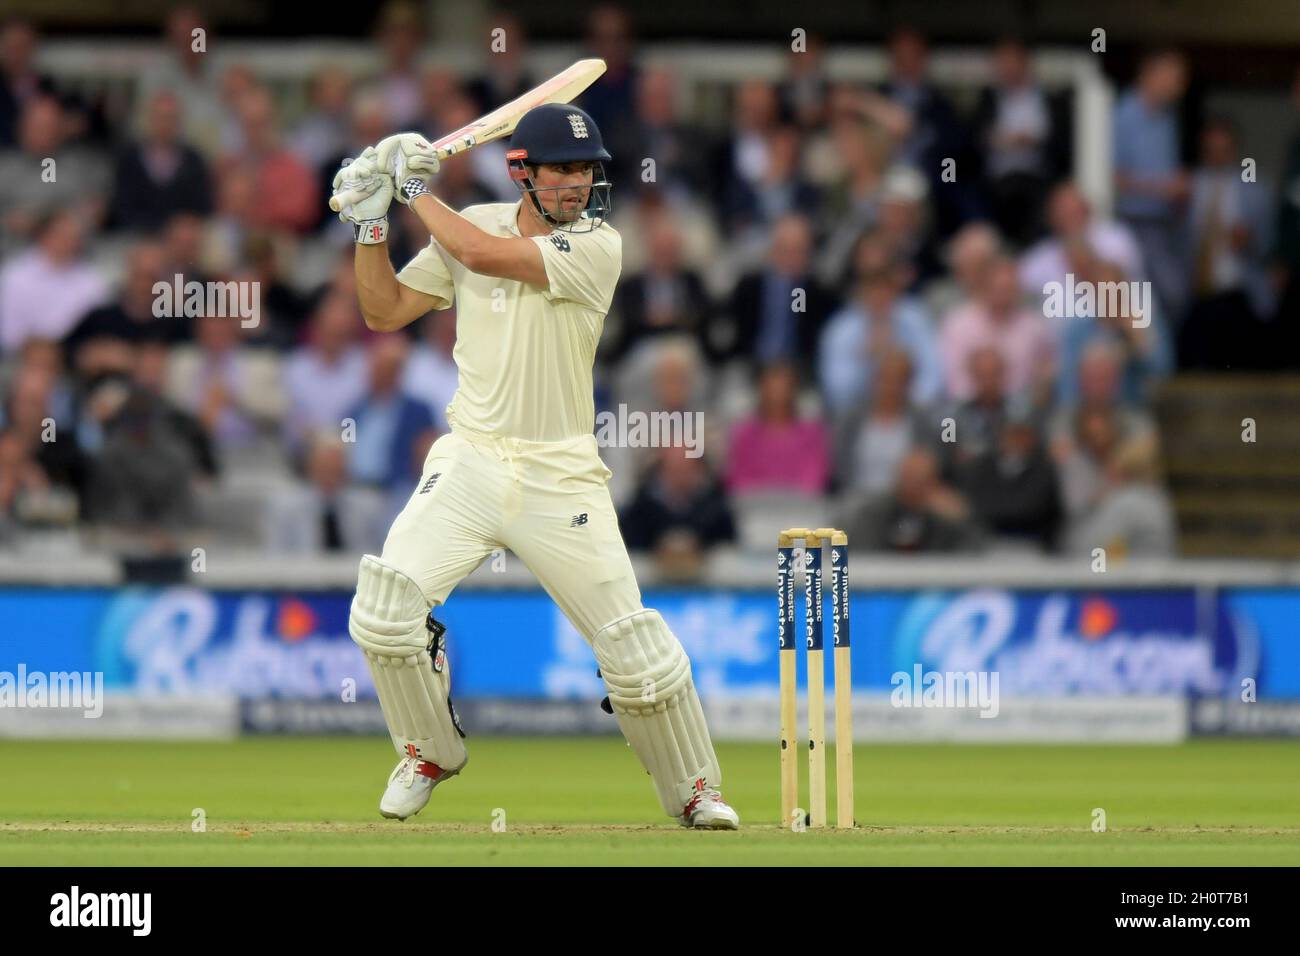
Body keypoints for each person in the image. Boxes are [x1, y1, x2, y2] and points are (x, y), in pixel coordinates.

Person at [329, 103, 739, 829]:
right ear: (523, 173)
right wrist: (370, 223)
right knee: (386, 609)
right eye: (562, 170)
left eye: (586, 170)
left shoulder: (599, 246)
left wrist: (414, 191)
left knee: (636, 653)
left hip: (562, 474)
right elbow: (384, 311)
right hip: (472, 459)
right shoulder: (474, 222)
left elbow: (489, 259)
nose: (578, 184)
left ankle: (696, 790)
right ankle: (428, 750)